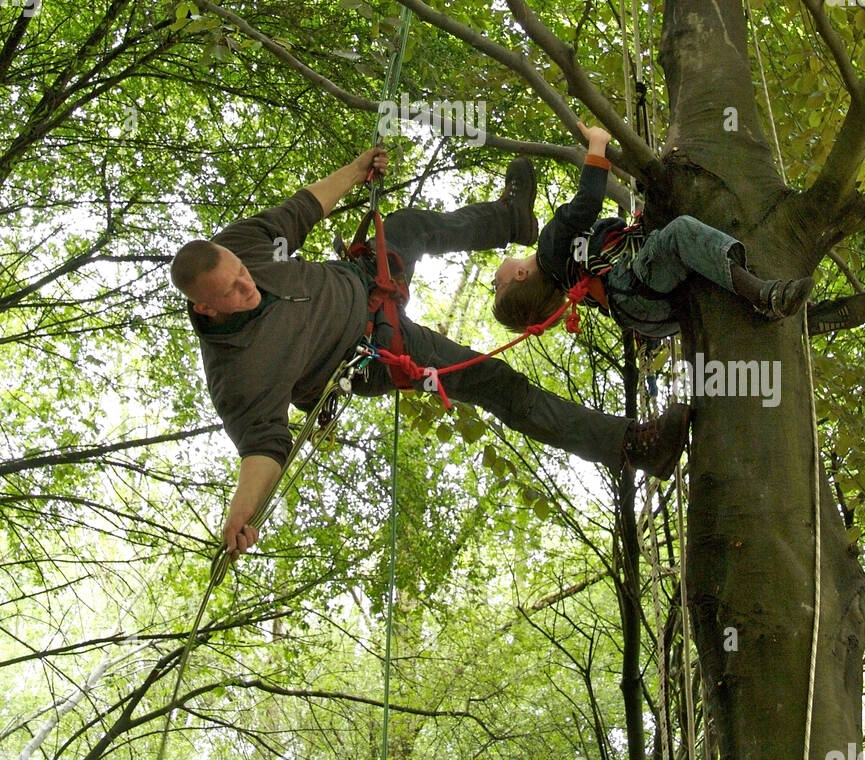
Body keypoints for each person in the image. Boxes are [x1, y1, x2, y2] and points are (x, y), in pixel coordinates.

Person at [171, 147, 691, 558]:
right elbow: (262, 447)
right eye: (234, 292)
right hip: (377, 350)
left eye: (243, 274)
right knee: (492, 381)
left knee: (406, 227)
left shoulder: (242, 246)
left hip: (367, 278)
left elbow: (302, 209)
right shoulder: (236, 375)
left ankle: (510, 218)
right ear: (206, 308)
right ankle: (632, 446)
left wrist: (354, 172)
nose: (249, 287)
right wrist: (243, 510)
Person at [493, 122, 814, 338]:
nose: (493, 281)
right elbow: (588, 202)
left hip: (650, 316)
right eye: (497, 286)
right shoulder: (551, 249)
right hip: (633, 292)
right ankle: (764, 295)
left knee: (690, 250)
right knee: (682, 232)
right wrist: (597, 145)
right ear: (520, 277)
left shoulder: (569, 276)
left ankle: (799, 312)